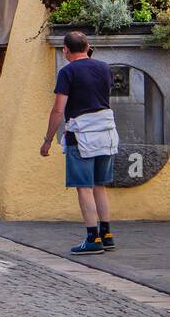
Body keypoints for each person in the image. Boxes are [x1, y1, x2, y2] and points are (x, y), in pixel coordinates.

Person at [41, 31, 119, 254]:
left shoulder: (67, 72)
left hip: (81, 135)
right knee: (99, 186)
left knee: (84, 188)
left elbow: (58, 109)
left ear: (65, 50)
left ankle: (92, 238)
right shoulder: (104, 68)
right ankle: (107, 235)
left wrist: (47, 140)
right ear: (88, 47)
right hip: (106, 132)